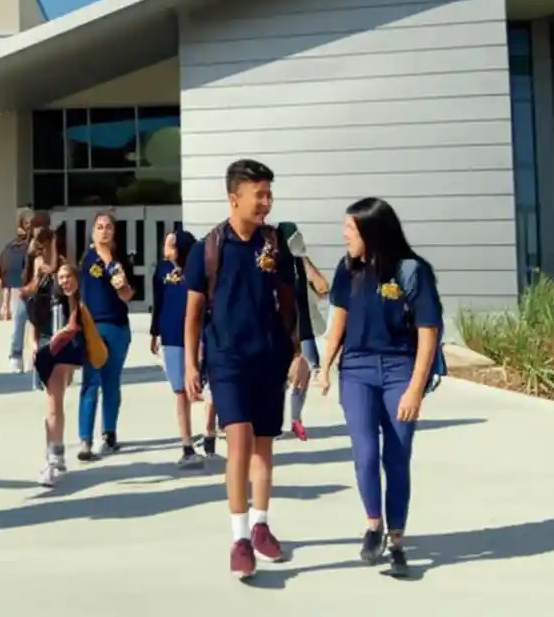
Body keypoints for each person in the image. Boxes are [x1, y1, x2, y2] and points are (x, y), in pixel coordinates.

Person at [315, 197, 443, 578]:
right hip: (356, 370)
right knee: (366, 453)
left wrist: (415, 390)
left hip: (399, 370)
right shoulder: (347, 269)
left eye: (350, 230)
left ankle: (398, 539)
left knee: (397, 456)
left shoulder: (410, 271)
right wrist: (325, 366)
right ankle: (374, 527)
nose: (344, 236)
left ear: (372, 233)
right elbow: (339, 318)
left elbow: (428, 332)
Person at [183, 158, 298, 579]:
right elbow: (193, 312)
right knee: (240, 442)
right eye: (259, 195)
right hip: (226, 358)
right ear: (234, 198)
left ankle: (262, 525)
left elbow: (289, 303)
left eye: (269, 194)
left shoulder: (275, 245)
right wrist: (193, 363)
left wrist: (295, 353)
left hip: (268, 356)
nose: (266, 202)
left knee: (265, 444)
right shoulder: (209, 247)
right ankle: (239, 538)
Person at [26, 259, 107, 487]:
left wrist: (59, 336)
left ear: (76, 279)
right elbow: (35, 319)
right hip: (48, 351)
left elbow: (72, 328)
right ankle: (55, 454)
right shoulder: (49, 298)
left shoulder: (79, 301)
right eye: (61, 278)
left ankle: (55, 458)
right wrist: (33, 345)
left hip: (65, 353)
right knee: (52, 405)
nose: (64, 281)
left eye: (68, 277)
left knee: (54, 405)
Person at [77, 211, 135, 461]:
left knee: (112, 382)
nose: (104, 231)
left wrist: (121, 284)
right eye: (99, 227)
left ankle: (109, 434)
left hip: (118, 327)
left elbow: (128, 295)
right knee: (91, 383)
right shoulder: (88, 261)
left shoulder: (121, 261)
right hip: (94, 328)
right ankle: (85, 440)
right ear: (92, 232)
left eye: (108, 227)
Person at [150, 228, 207, 469]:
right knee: (180, 391)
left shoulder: (196, 267)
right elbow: (158, 300)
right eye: (166, 243)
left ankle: (210, 434)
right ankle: (187, 444)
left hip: (197, 335)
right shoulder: (161, 270)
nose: (167, 247)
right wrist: (154, 333)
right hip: (171, 335)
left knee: (203, 388)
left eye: (171, 243)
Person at [276, 221, 331, 441]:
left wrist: (303, 257)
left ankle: (296, 419)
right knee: (279, 376)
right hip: (281, 326)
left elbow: (323, 287)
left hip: (303, 326)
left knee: (305, 372)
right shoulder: (273, 264)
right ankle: (274, 422)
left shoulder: (299, 265)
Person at [0, 208, 34, 372]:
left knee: (39, 325)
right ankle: (16, 355)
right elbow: (6, 278)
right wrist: (4, 304)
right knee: (19, 323)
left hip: (39, 289)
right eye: (25, 223)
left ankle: (37, 356)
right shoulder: (12, 249)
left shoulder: (42, 245)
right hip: (20, 291)